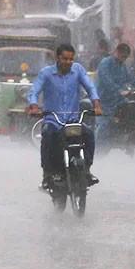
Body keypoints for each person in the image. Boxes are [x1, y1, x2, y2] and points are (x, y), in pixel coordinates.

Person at [27, 44, 102, 188]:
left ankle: (86, 170)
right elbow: (34, 91)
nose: (68, 62)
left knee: (89, 135)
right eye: (65, 59)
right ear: (57, 58)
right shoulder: (46, 73)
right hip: (52, 120)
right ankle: (48, 174)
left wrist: (96, 105)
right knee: (48, 136)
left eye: (71, 59)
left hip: (73, 120)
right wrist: (34, 106)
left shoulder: (78, 70)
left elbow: (90, 87)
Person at [95, 43, 135, 140]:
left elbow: (131, 79)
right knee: (104, 127)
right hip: (103, 102)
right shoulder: (105, 63)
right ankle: (97, 150)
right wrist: (118, 90)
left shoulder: (122, 66)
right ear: (116, 52)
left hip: (118, 101)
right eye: (123, 56)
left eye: (126, 57)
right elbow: (106, 80)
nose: (124, 59)